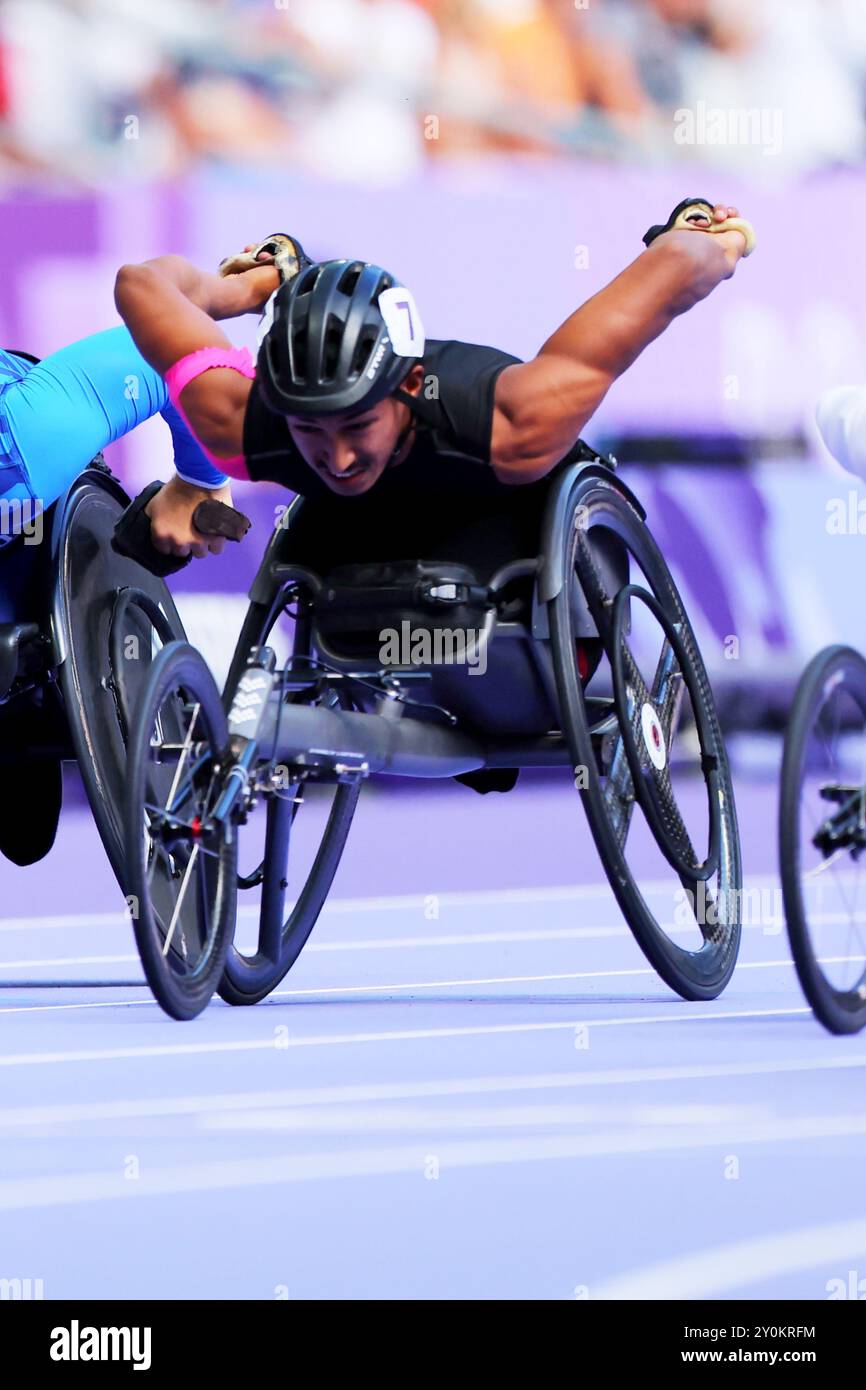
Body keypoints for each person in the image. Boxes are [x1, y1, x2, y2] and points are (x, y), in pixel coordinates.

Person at [114, 202, 753, 573]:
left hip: (513, 525)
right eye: (309, 429)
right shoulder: (239, 425)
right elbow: (140, 284)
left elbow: (674, 268)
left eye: (357, 426)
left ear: (411, 386)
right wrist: (252, 289)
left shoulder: (517, 423)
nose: (335, 458)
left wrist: (718, 240)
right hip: (361, 542)